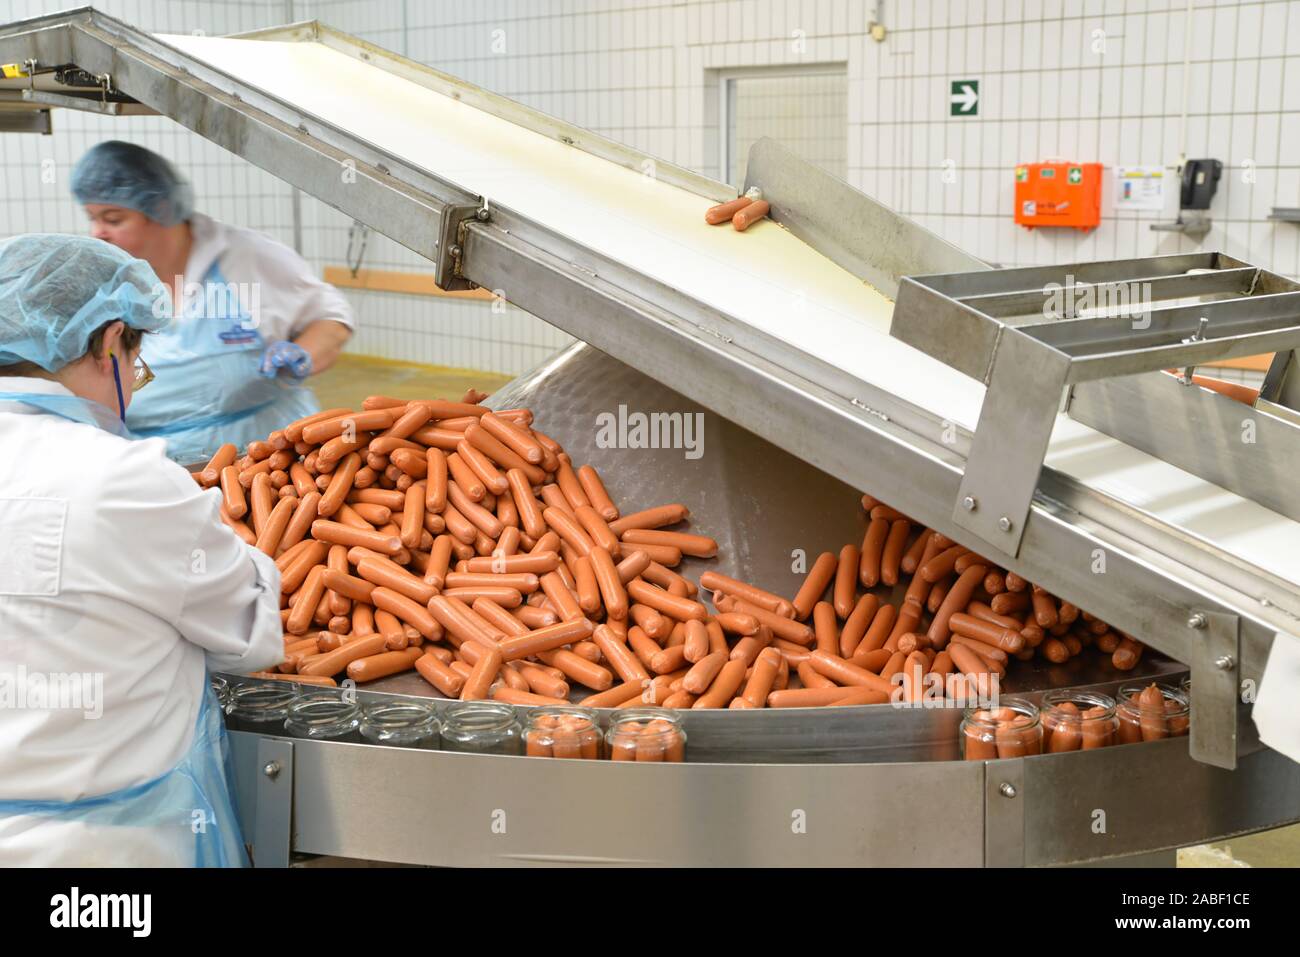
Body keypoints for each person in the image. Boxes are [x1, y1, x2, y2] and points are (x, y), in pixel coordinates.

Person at [0, 234, 283, 866]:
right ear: (109, 342)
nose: (135, 381)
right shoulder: (128, 478)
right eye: (137, 362)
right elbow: (249, 636)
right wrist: (255, 557)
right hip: (106, 854)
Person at [70, 140, 356, 464]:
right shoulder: (106, 281)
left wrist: (303, 354)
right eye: (92, 218)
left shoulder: (245, 257)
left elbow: (330, 316)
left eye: (113, 219)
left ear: (160, 209)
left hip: (270, 459)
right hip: (154, 466)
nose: (97, 233)